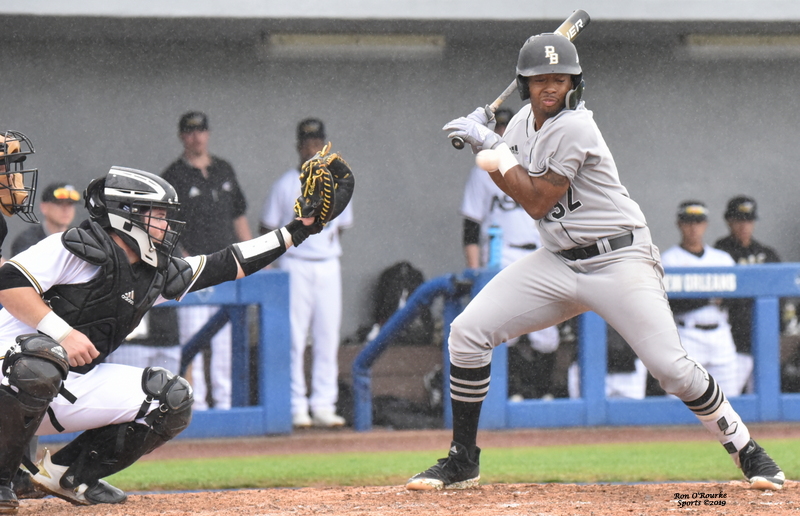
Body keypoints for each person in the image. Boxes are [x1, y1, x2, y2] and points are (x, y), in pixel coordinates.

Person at [406, 33, 784, 492]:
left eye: (559, 79)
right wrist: (489, 143)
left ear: (574, 83)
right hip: (558, 261)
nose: (550, 88)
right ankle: (463, 460)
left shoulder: (578, 126)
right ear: (524, 86)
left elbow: (538, 201)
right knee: (467, 334)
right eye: (540, 79)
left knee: (671, 370)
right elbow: (517, 178)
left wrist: (491, 147)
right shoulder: (523, 123)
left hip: (619, 259)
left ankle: (749, 451)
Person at [0, 165, 343, 512]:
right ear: (127, 215)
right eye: (158, 215)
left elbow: (228, 263)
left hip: (60, 387)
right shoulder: (74, 244)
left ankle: (68, 474)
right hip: (10, 374)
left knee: (172, 398)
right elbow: (9, 282)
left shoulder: (154, 272)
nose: (166, 224)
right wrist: (62, 332)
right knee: (39, 363)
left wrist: (297, 231)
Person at [459, 107, 559, 400]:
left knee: (546, 331)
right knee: (508, 329)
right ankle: (512, 391)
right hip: (501, 255)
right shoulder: (484, 170)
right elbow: (470, 225)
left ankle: (541, 393)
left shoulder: (540, 166)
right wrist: (476, 270)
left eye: (509, 127)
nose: (504, 133)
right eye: (499, 128)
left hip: (541, 253)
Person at [260, 118, 354, 428]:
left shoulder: (338, 183)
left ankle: (324, 405)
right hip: (295, 265)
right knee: (295, 339)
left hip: (327, 264)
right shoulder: (286, 182)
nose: (312, 147)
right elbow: (267, 228)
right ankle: (296, 405)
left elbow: (338, 230)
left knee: (327, 337)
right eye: (307, 142)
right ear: (299, 146)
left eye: (317, 141)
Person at [162, 111, 253, 410]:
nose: (196, 137)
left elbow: (238, 215)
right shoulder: (173, 175)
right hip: (195, 270)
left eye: (201, 131)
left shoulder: (224, 169)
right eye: (190, 131)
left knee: (226, 343)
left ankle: (225, 403)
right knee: (193, 340)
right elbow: (165, 226)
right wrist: (185, 261)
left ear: (208, 133)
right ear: (181, 136)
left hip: (228, 266)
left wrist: (252, 255)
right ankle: (196, 404)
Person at [661, 201, 739, 396]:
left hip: (721, 333)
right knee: (681, 400)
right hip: (687, 334)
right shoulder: (668, 260)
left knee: (730, 399)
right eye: (688, 222)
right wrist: (710, 297)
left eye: (698, 221)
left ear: (706, 224)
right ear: (679, 224)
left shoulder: (722, 259)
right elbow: (668, 304)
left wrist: (700, 296)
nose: (693, 227)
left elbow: (737, 300)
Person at [714, 196, 781, 394]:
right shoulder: (720, 253)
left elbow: (782, 296)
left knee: (766, 400)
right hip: (733, 339)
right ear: (729, 220)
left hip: (764, 338)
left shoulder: (766, 253)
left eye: (748, 220)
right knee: (728, 398)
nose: (744, 225)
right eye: (739, 220)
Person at [11, 182, 81, 257]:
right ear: (44, 207)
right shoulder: (27, 241)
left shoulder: (80, 239)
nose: (66, 210)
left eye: (70, 204)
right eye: (59, 203)